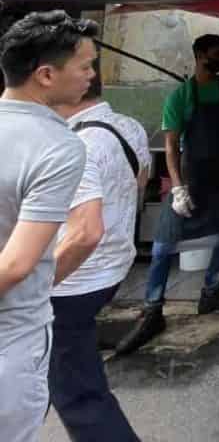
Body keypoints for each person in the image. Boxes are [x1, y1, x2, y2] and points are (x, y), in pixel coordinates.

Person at [117, 34, 219, 356]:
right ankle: (152, 306)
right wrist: (177, 187)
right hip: (193, 176)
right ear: (197, 55)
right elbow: (170, 147)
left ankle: (213, 289)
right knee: (166, 241)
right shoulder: (180, 97)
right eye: (214, 55)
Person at [0, 12, 93, 442]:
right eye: (85, 66)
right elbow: (17, 264)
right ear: (45, 75)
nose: (92, 77)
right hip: (12, 338)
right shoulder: (59, 147)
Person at [49, 65, 148, 440]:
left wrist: (29, 286)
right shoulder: (129, 126)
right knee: (48, 373)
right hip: (112, 266)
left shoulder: (77, 146)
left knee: (79, 396)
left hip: (72, 281)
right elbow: (139, 181)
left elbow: (85, 233)